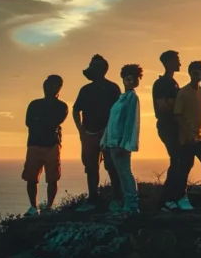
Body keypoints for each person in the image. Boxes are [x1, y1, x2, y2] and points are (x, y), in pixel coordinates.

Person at [72, 55, 122, 213]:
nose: (91, 69)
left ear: (102, 69)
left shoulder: (112, 88)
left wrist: (113, 131)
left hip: (107, 133)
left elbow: (119, 111)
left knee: (111, 166)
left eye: (94, 66)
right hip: (89, 133)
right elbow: (76, 110)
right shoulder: (85, 89)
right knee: (91, 167)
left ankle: (117, 198)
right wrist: (81, 130)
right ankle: (93, 198)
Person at [162, 61, 201, 211]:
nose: (197, 76)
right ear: (190, 74)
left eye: (200, 73)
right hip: (186, 138)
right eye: (195, 73)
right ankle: (180, 197)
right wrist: (188, 134)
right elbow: (178, 115)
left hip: (199, 137)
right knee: (185, 168)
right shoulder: (183, 92)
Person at [22, 75, 68, 216]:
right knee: (31, 178)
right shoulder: (34, 104)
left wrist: (40, 121)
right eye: (49, 84)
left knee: (52, 178)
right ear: (44, 86)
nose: (52, 88)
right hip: (35, 144)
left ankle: (48, 207)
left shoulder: (61, 106)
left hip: (51, 145)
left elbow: (53, 122)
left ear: (59, 88)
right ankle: (33, 207)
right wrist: (44, 122)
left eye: (55, 85)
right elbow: (29, 122)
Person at [101, 64, 143, 215]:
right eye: (128, 78)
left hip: (120, 144)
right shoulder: (121, 99)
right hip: (112, 143)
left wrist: (123, 144)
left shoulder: (132, 98)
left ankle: (132, 204)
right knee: (121, 174)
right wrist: (105, 140)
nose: (131, 81)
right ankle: (127, 203)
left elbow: (130, 122)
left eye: (134, 78)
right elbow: (111, 121)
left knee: (125, 173)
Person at [153, 50, 181, 209]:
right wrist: (177, 105)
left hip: (174, 126)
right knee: (176, 159)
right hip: (167, 126)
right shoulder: (162, 83)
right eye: (177, 60)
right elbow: (163, 106)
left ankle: (173, 196)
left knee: (179, 160)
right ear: (169, 62)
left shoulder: (173, 83)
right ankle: (166, 199)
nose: (179, 63)